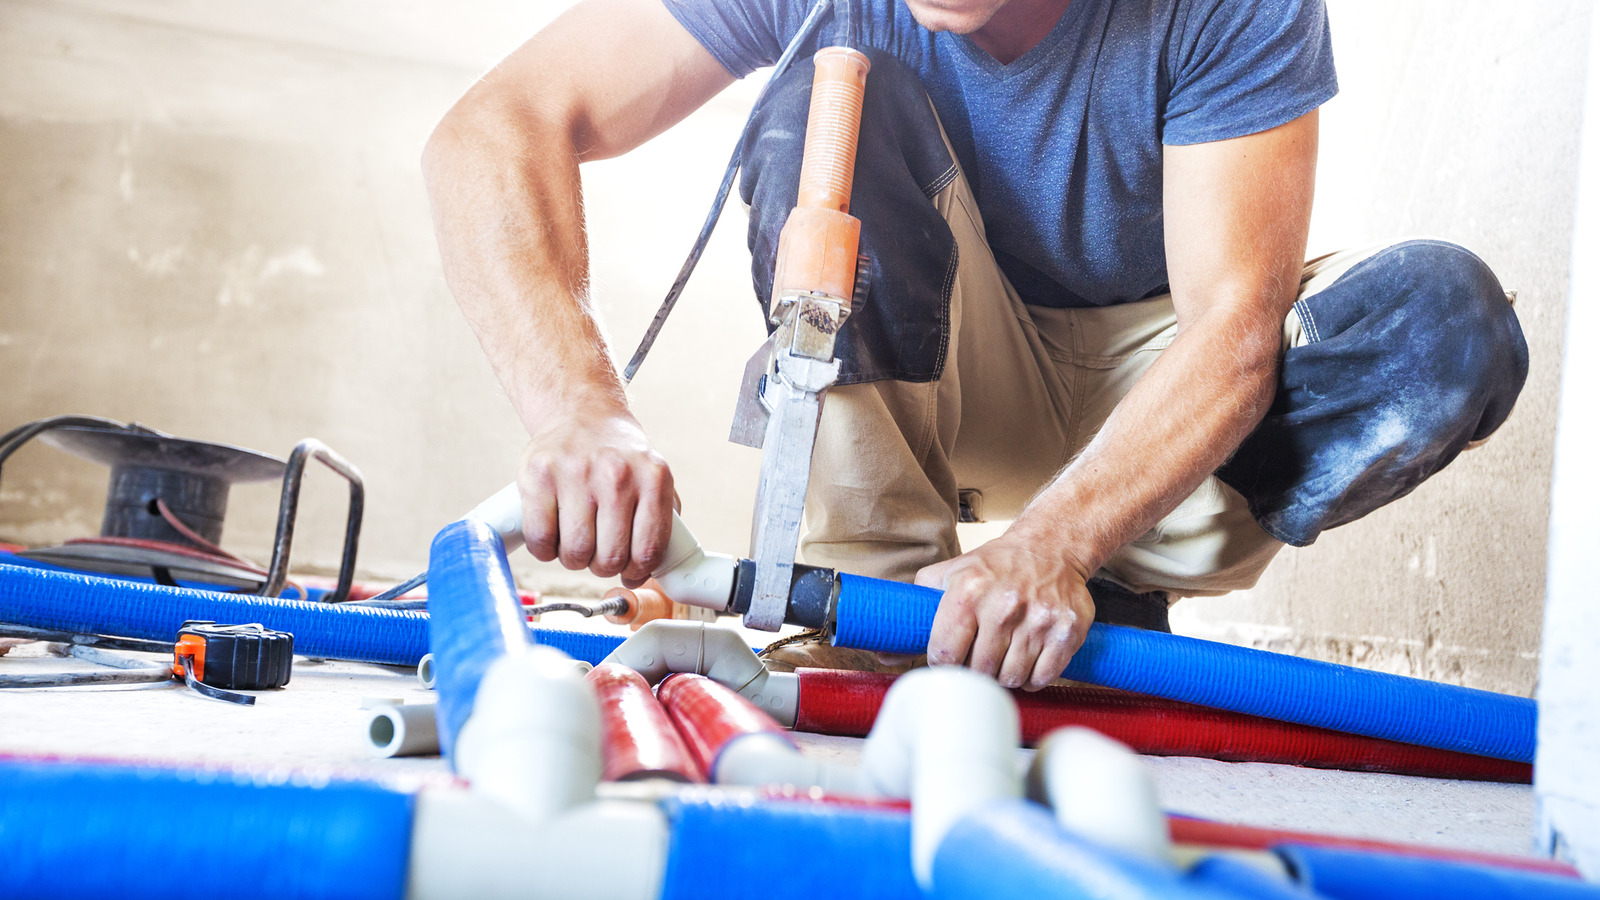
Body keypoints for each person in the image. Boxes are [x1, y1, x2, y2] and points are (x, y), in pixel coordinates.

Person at [422, 0, 1528, 691]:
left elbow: (1232, 331)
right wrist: (581, 409)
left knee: (1441, 326)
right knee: (829, 104)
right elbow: (498, 125)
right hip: (964, 369)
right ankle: (873, 606)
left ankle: (1107, 580)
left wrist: (1057, 543)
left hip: (1166, 394)